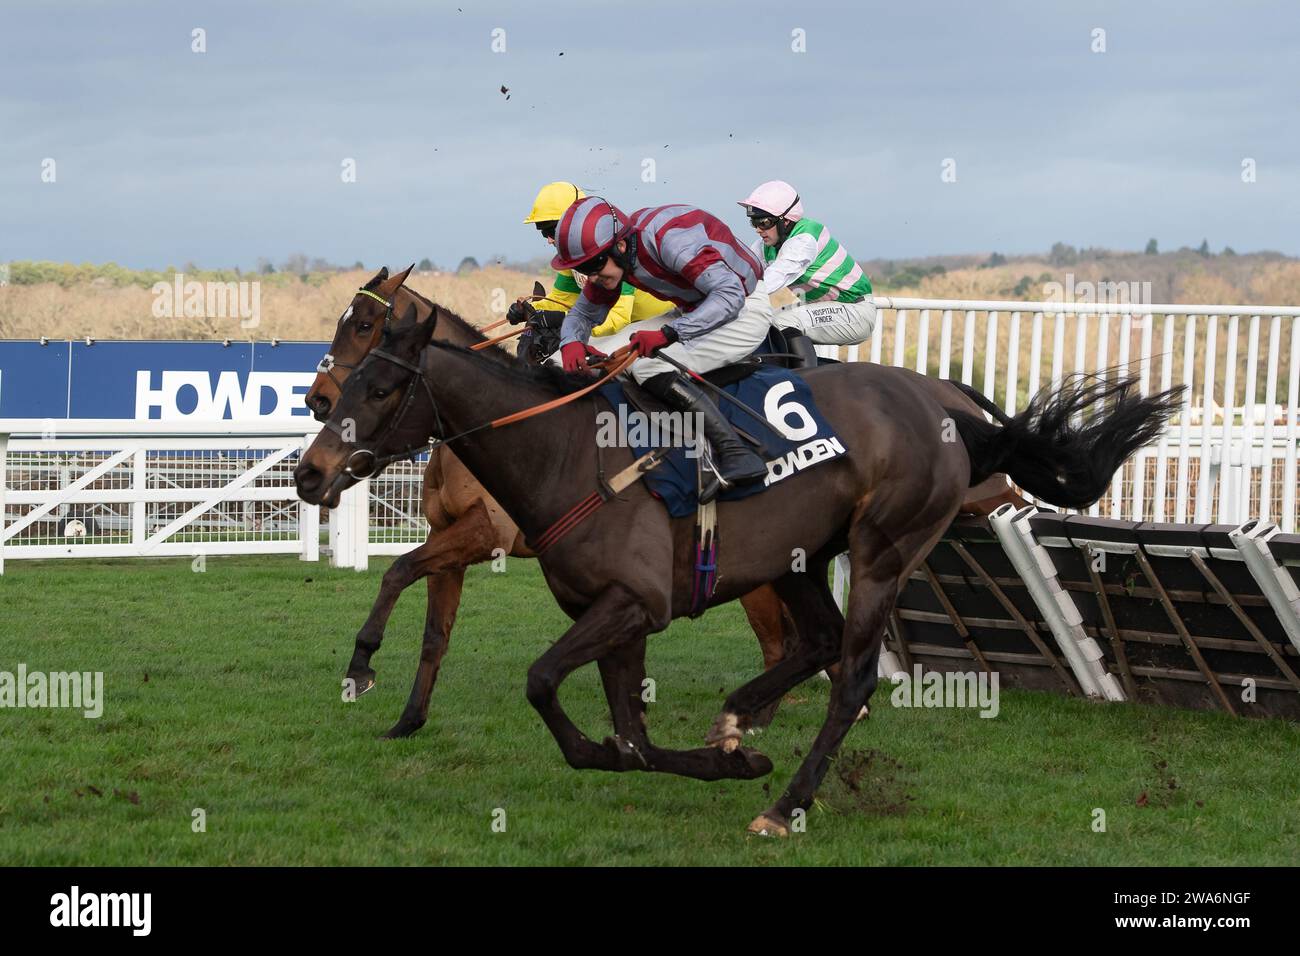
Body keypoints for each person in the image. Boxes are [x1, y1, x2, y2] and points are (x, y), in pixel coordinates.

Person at [553, 197, 774, 488]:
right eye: (584, 269)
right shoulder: (618, 254)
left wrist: (669, 334)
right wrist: (571, 342)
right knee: (557, 360)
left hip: (742, 310)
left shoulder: (668, 240)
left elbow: (728, 297)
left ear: (619, 246)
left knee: (646, 366)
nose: (592, 276)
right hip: (694, 308)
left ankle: (736, 453)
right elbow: (582, 314)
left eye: (594, 265)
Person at [510, 182, 671, 354]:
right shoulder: (572, 255)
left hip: (660, 321)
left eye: (551, 231)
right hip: (627, 326)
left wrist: (564, 320)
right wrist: (532, 311)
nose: (549, 240)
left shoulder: (613, 251)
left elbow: (618, 318)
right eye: (543, 233)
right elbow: (563, 299)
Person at [739, 180, 876, 368]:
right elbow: (742, 273)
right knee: (765, 323)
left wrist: (735, 295)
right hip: (832, 310)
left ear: (785, 221)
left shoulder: (805, 239)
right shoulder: (765, 246)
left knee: (782, 322)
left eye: (764, 222)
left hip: (856, 312)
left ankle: (806, 383)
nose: (758, 229)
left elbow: (774, 277)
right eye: (754, 222)